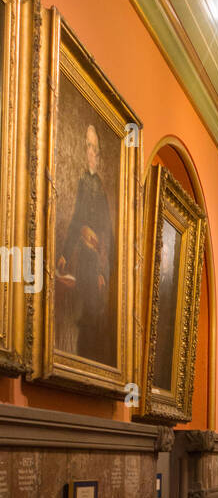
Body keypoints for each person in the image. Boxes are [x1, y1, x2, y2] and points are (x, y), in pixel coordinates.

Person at [56, 124, 115, 363]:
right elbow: (76, 221)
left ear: (99, 156)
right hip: (83, 264)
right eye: (87, 146)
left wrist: (102, 269)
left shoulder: (100, 190)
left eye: (94, 148)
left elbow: (107, 233)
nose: (90, 152)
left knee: (92, 320)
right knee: (80, 318)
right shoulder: (82, 181)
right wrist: (65, 254)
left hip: (96, 266)